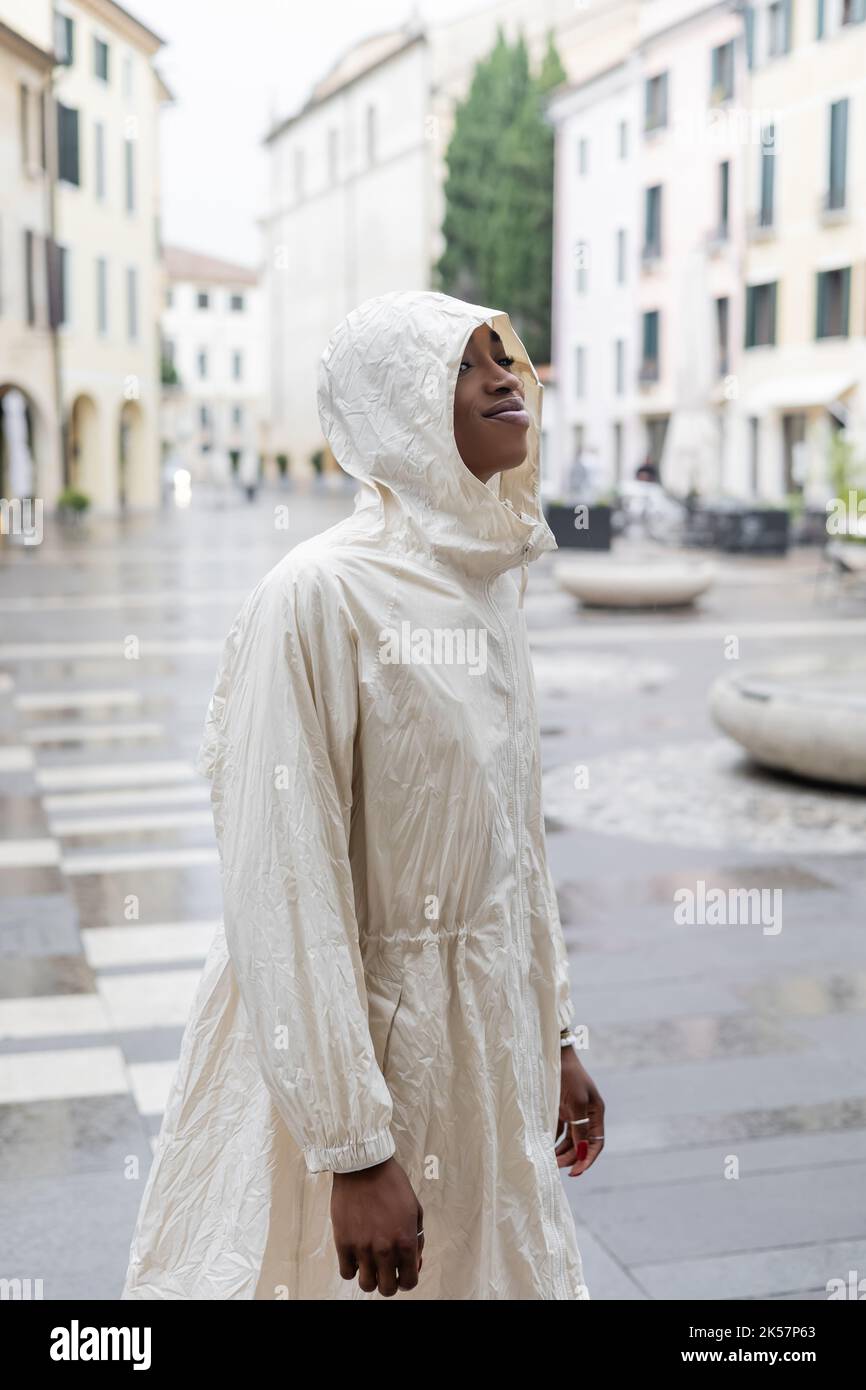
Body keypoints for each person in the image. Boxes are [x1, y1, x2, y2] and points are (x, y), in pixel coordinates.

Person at [120, 290, 604, 1301]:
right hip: (360, 1061)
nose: (504, 377)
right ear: (400, 406)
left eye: (503, 356)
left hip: (484, 1055)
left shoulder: (486, 586)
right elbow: (278, 873)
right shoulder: (315, 595)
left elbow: (514, 845)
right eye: (466, 364)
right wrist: (348, 1143)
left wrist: (553, 1032)